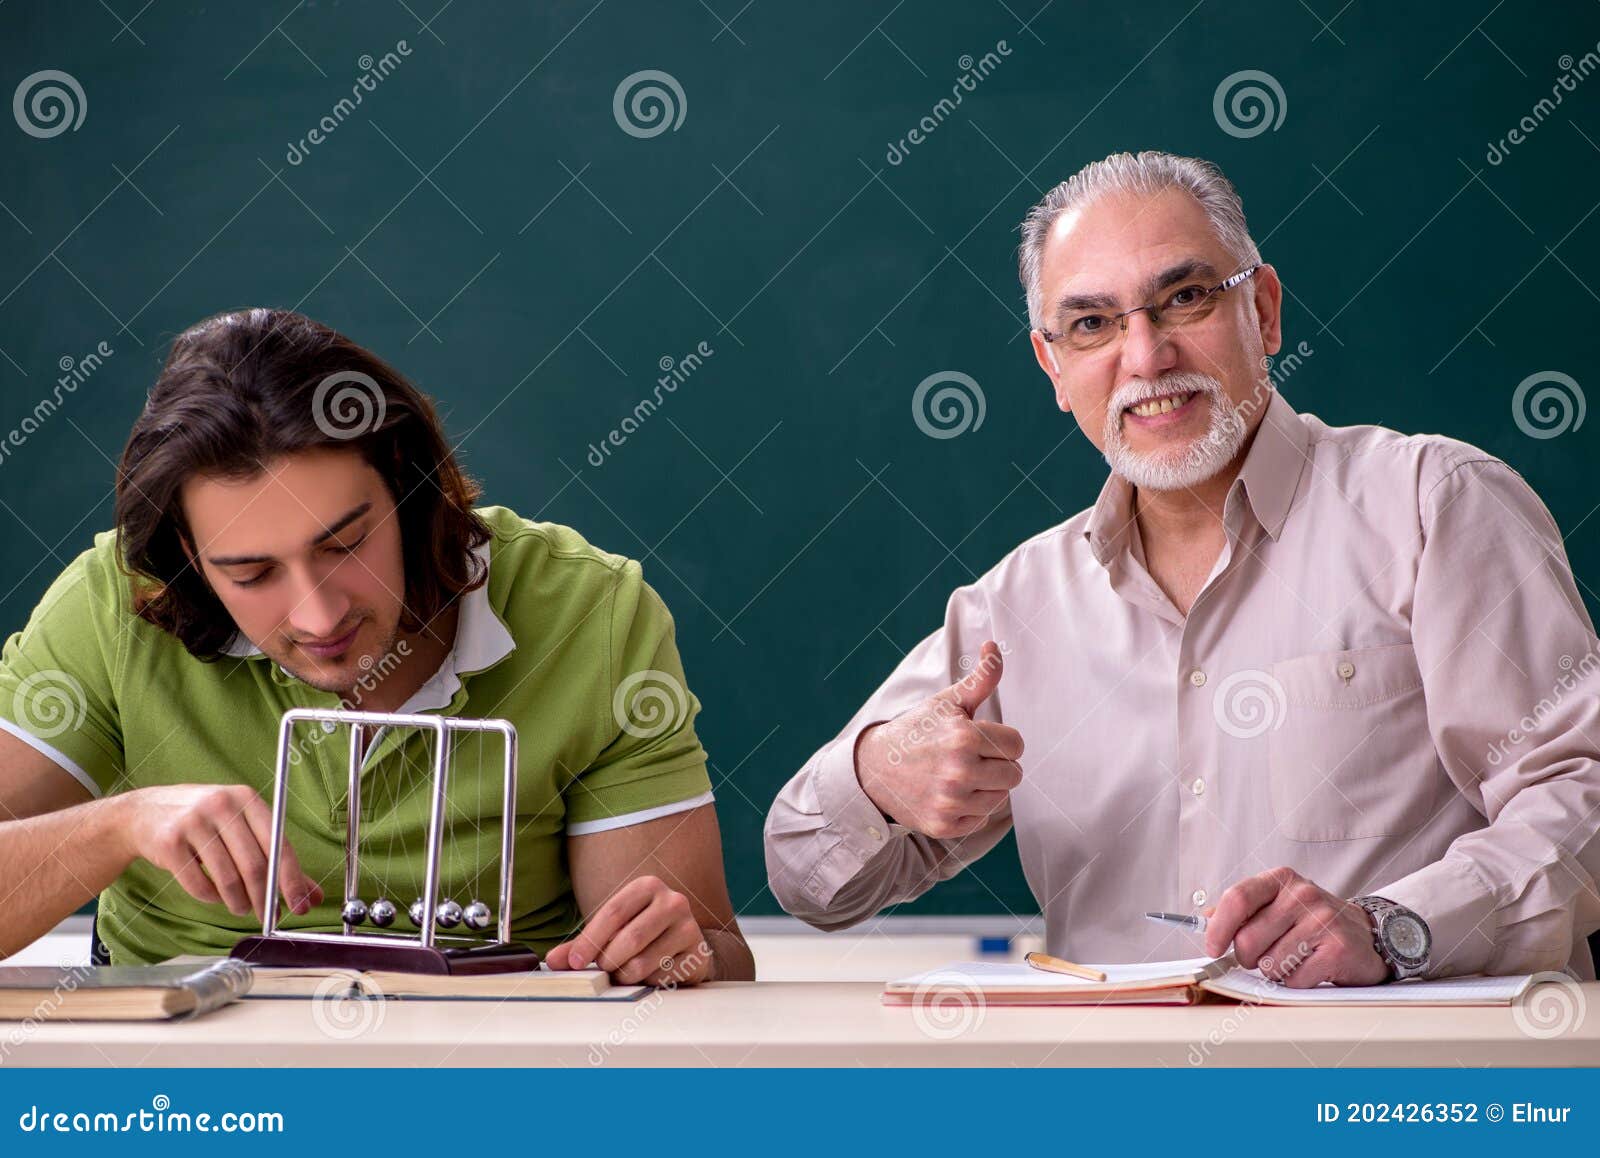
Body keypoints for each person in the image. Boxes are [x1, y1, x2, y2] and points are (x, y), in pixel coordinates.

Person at [766, 150, 1600, 986]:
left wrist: (1394, 930)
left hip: (1389, 1063)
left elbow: (1581, 793)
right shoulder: (1015, 609)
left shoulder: (1433, 508)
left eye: (1186, 297)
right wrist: (878, 776)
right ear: (1054, 369)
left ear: (1263, 312)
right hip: (1113, 1069)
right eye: (1091, 324)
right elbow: (805, 876)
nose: (1146, 356)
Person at [0, 307, 753, 984]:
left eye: (345, 544)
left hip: (496, 1058)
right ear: (189, 558)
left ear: (409, 490)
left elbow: (711, 950)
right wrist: (117, 825)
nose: (318, 615)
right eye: (252, 574)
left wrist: (674, 952)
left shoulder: (589, 615)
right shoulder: (117, 605)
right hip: (189, 1067)